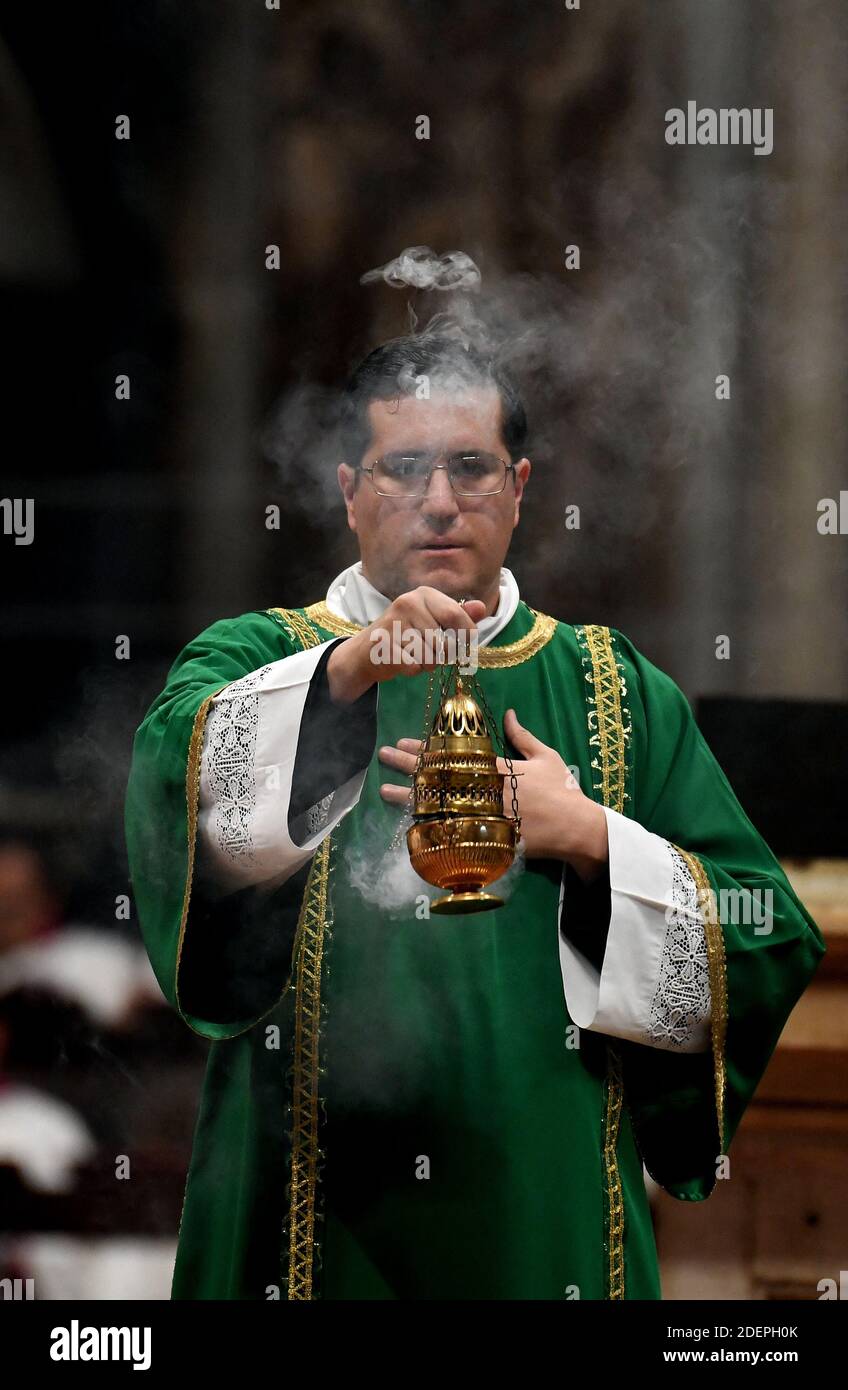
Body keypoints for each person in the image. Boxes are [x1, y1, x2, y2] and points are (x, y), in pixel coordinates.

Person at [125, 329, 825, 1300]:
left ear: (520, 485)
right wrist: (354, 667)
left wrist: (590, 840)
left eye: (471, 469)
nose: (440, 502)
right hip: (313, 1222)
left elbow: (764, 935)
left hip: (545, 1230)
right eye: (402, 470)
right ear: (348, 489)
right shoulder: (253, 660)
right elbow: (184, 796)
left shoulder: (612, 689)